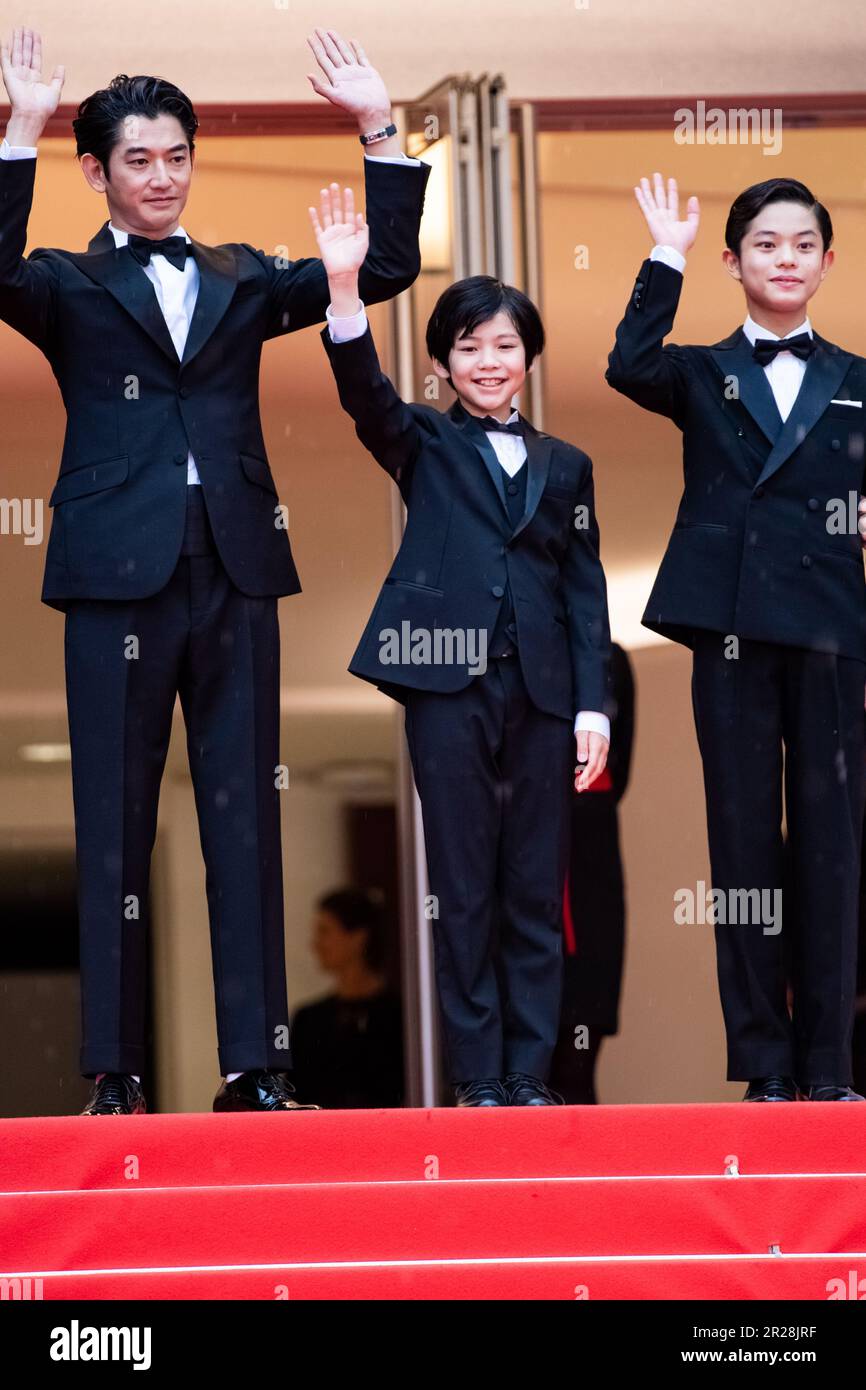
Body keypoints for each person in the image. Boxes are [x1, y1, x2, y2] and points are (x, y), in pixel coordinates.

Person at [0, 25, 430, 1114]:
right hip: (112, 580)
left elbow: (378, 269)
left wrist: (378, 127)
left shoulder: (242, 277)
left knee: (245, 820)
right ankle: (115, 1071)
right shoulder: (64, 284)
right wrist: (23, 128)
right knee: (114, 823)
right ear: (95, 171)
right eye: (138, 159)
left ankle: (257, 1065)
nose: (161, 176)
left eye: (176, 155)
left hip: (237, 569)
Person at [310, 188, 612, 1106]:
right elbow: (365, 398)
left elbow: (585, 591)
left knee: (533, 887)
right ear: (444, 361)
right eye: (470, 345)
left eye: (506, 345)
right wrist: (344, 290)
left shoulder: (568, 466)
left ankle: (529, 1074)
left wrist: (593, 705)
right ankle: (478, 1078)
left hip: (548, 693)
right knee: (464, 886)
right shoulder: (425, 441)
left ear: (527, 360)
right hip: (446, 684)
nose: (490, 360)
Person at [607, 171, 866, 1102]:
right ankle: (763, 1064)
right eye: (765, 244)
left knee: (834, 847)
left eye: (802, 245)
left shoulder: (860, 382)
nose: (785, 259)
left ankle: (831, 1065)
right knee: (742, 843)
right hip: (729, 628)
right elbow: (627, 365)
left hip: (836, 633)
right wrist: (663, 255)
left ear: (827, 263)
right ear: (735, 260)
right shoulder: (698, 371)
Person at [550, 642, 634, 1104]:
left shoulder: (610, 662)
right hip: (529, 869)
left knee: (577, 1066)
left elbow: (617, 774)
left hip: (589, 875)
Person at [289, 889, 404, 1109]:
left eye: (325, 932)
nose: (316, 944)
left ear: (358, 938)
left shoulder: (398, 1015)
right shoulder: (308, 1018)